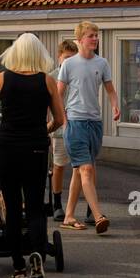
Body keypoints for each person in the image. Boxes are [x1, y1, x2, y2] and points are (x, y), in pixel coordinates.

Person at [0, 33, 66, 278]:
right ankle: (37, 255)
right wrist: (43, 131)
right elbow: (60, 120)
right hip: (36, 149)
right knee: (36, 206)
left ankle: (18, 267)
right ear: (40, 54)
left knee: (14, 209)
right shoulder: (48, 82)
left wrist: (1, 132)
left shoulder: (2, 79)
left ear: (14, 54)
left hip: (8, 148)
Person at [58, 20, 119, 234]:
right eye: (91, 35)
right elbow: (58, 95)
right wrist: (64, 121)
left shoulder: (102, 63)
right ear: (81, 39)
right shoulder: (69, 64)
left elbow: (110, 89)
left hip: (95, 123)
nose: (95, 38)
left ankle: (68, 216)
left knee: (79, 170)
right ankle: (98, 216)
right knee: (86, 169)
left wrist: (115, 106)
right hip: (75, 122)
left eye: (96, 35)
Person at [50, 40, 79, 220]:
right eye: (66, 58)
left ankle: (91, 208)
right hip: (59, 129)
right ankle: (57, 203)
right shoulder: (51, 77)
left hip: (78, 127)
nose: (69, 62)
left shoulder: (79, 75)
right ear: (59, 57)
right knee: (59, 166)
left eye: (72, 58)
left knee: (83, 168)